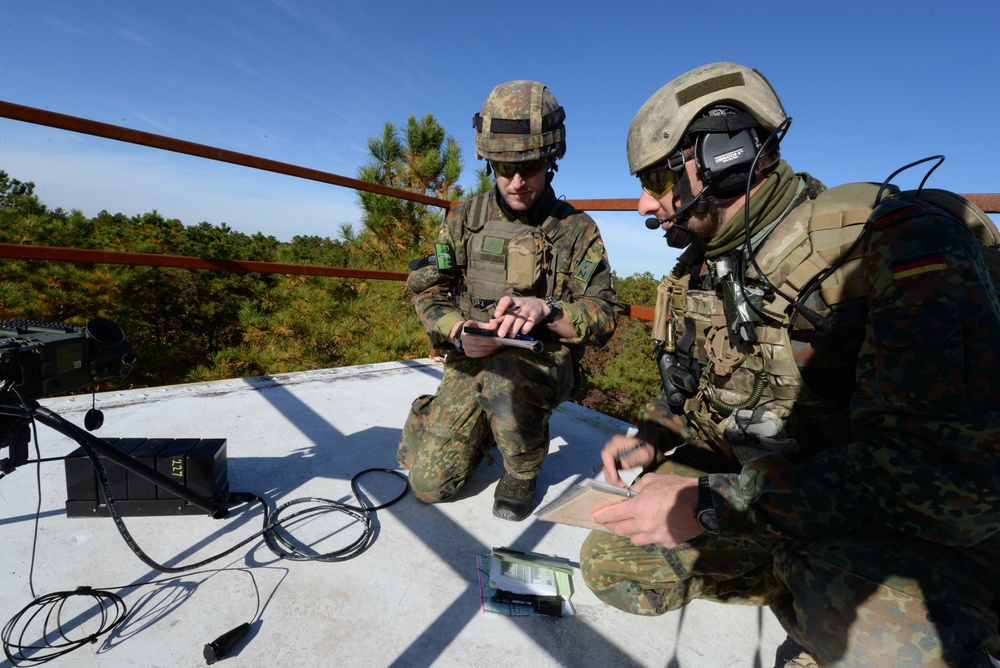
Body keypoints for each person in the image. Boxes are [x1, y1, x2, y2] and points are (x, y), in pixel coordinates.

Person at [579, 62, 1000, 666]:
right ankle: (800, 579)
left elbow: (949, 482)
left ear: (724, 156)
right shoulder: (705, 267)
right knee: (614, 559)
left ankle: (840, 603)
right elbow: (699, 388)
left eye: (655, 177)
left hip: (918, 527)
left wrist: (712, 504)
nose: (644, 202)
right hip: (784, 490)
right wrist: (651, 433)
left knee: (853, 612)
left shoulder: (893, 243)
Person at [398, 80, 618, 521]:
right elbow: (428, 287)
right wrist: (457, 330)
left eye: (530, 166)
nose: (517, 182)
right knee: (429, 486)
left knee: (504, 385)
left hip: (540, 362)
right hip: (471, 355)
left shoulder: (576, 230)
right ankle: (467, 418)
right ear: (489, 162)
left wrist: (548, 310)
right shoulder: (463, 219)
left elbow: (604, 316)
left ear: (551, 160)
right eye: (504, 167)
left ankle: (522, 468)